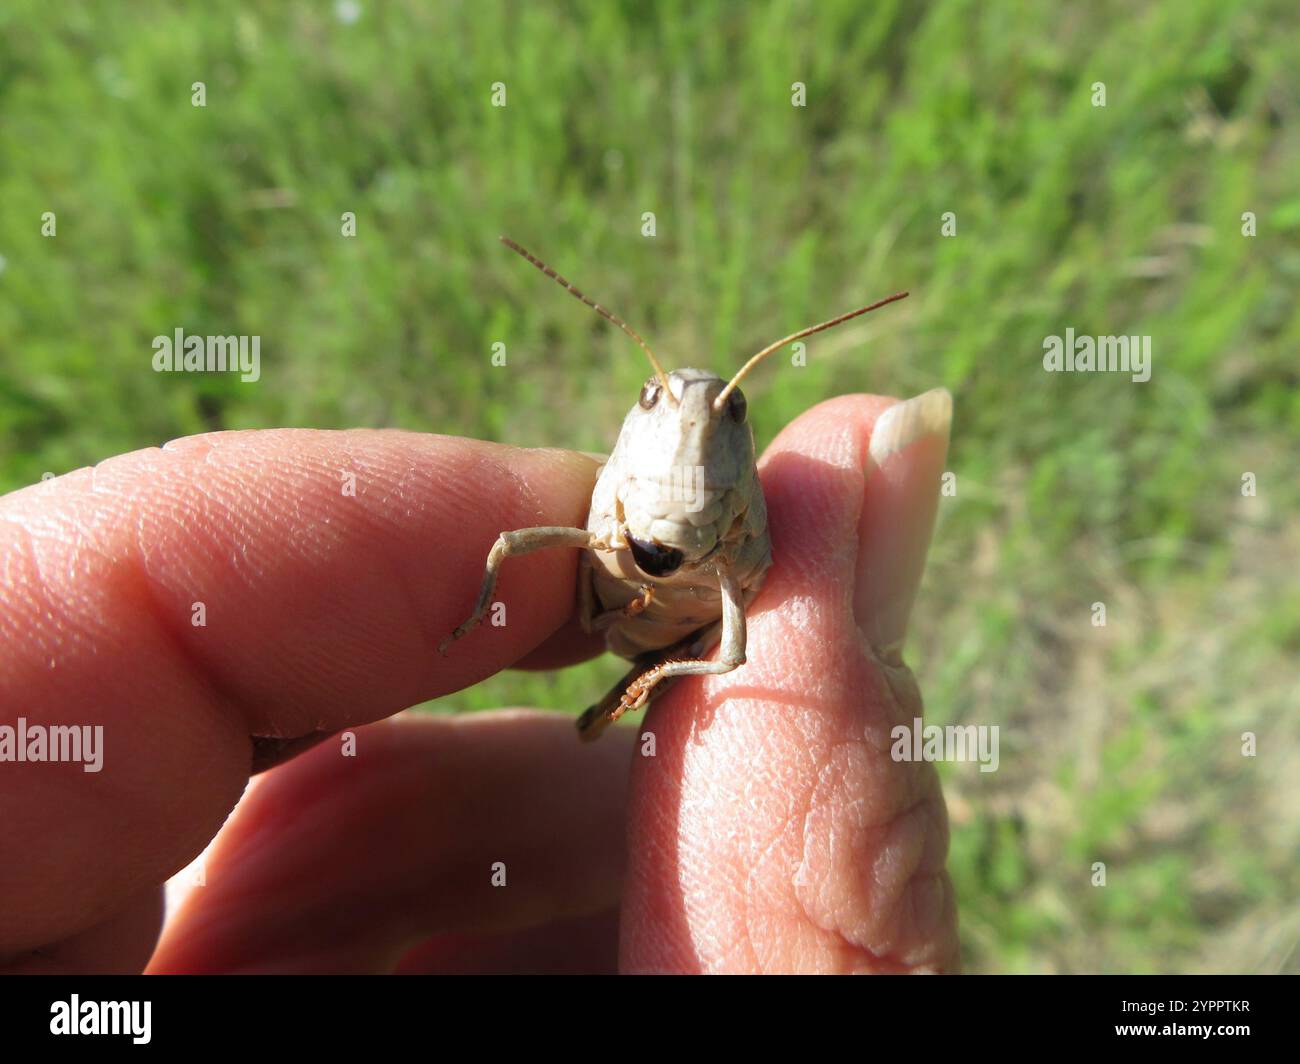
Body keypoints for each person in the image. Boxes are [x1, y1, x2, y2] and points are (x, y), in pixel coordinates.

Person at [0, 390, 958, 974]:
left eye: (727, 414)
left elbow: (751, 598)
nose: (697, 421)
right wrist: (472, 618)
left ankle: (625, 695)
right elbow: (523, 541)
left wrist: (659, 673)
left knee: (778, 638)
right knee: (508, 544)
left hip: (702, 618)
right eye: (662, 403)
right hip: (601, 584)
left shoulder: (734, 479)